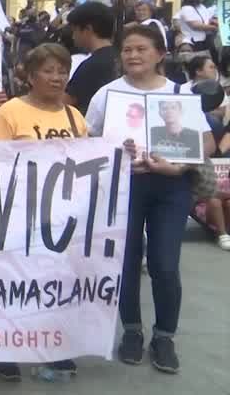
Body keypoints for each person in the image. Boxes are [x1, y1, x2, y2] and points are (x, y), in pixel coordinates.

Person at [87, 25, 215, 374]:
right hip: (123, 187)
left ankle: (164, 336)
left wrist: (177, 166)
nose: (133, 55)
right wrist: (116, 149)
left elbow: (206, 142)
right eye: (127, 49)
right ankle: (131, 331)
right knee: (126, 262)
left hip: (171, 189)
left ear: (160, 54)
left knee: (164, 264)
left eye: (141, 49)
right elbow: (89, 139)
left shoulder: (180, 92)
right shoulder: (107, 95)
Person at [0, 43, 85, 381]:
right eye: (48, 71)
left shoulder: (75, 117)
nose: (57, 78)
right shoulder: (9, 113)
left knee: (54, 284)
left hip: (61, 218)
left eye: (62, 71)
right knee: (14, 283)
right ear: (30, 76)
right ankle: (6, 348)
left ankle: (52, 347)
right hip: (17, 215)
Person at [65, 1, 118, 114]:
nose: (73, 36)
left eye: (75, 30)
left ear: (88, 30)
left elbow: (65, 101)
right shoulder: (120, 57)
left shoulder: (92, 65)